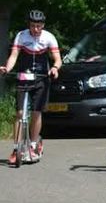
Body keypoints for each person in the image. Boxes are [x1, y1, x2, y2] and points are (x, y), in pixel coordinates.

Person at [1, 10, 61, 164]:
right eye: (33, 26)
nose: (35, 29)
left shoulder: (49, 37)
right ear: (29, 25)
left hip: (41, 78)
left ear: (43, 25)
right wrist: (7, 68)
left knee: (36, 112)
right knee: (20, 113)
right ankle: (16, 148)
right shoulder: (21, 36)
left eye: (39, 26)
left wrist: (54, 68)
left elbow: (57, 59)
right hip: (23, 77)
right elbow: (14, 55)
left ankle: (33, 145)